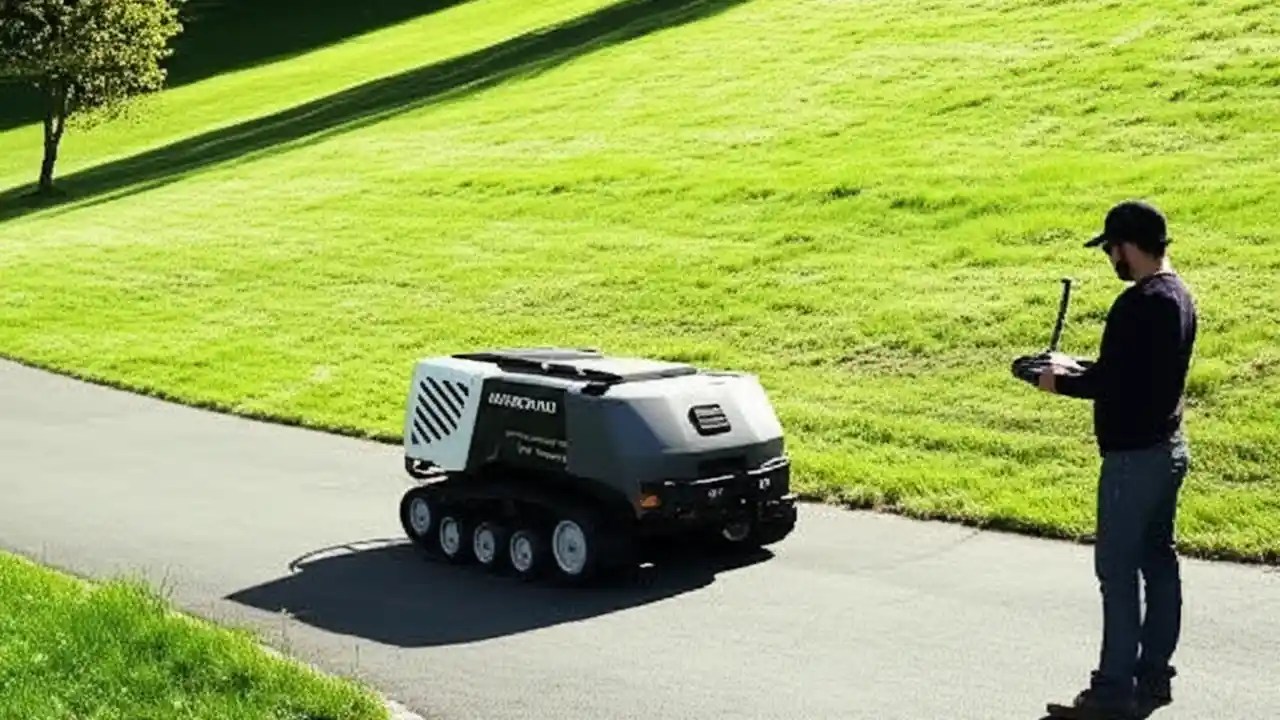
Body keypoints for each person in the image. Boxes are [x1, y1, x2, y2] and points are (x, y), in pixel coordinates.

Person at [1037, 200, 1198, 719]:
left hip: (1132, 460)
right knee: (1159, 561)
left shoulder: (1137, 304)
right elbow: (1132, 370)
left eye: (1111, 248)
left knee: (1118, 571)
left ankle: (1111, 692)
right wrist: (1076, 365)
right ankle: (1153, 676)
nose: (1111, 259)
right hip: (1168, 448)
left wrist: (1056, 381)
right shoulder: (1179, 296)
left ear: (1128, 246)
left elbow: (1111, 382)